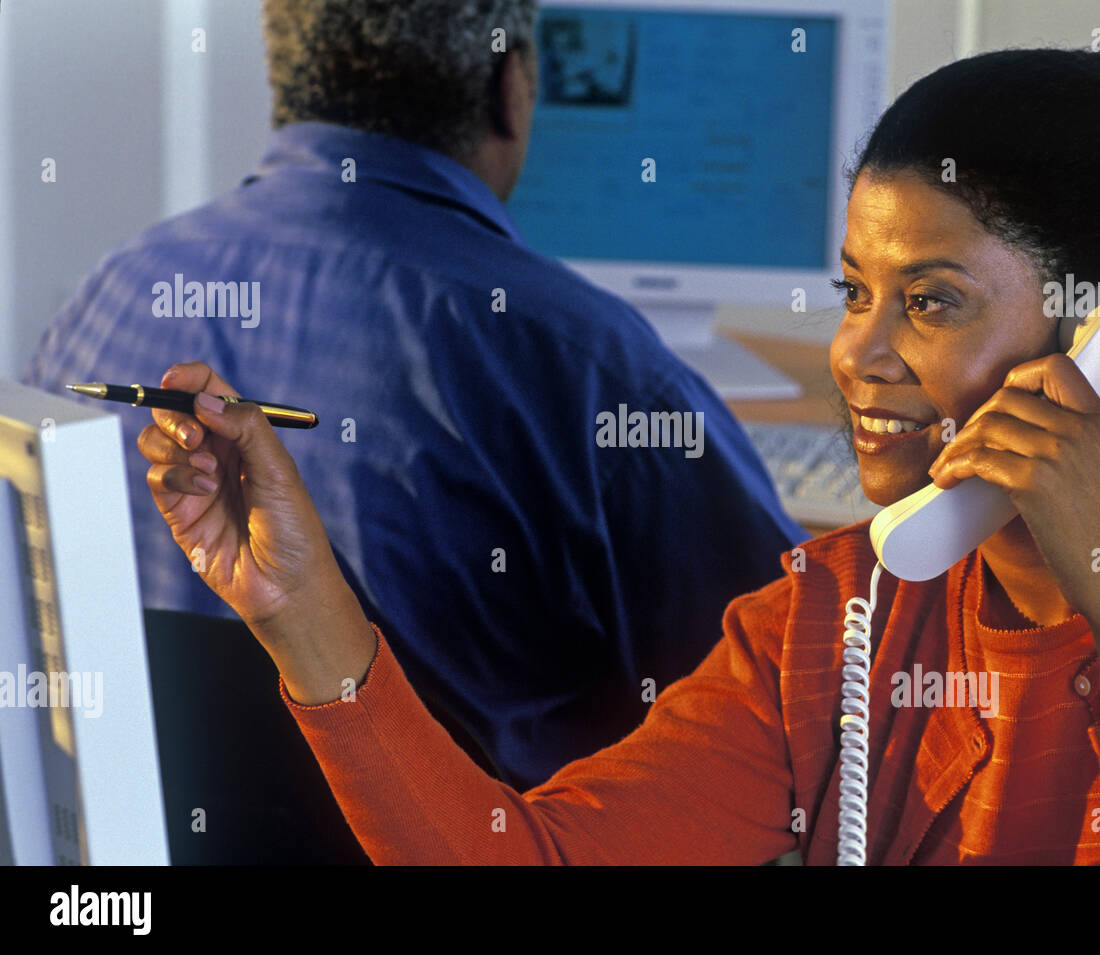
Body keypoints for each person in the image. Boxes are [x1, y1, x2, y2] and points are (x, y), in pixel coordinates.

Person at [136, 49, 1100, 864]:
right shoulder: (843, 612)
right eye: (855, 291)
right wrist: (301, 608)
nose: (859, 355)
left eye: (932, 303)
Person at [22, 0, 803, 790]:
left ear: (285, 76)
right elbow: (808, 684)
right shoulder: (589, 365)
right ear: (512, 85)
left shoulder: (110, 294)